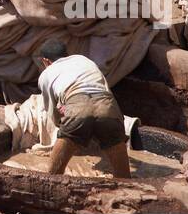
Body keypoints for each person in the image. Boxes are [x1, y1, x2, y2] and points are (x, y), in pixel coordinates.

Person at [36, 39, 131, 178]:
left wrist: (65, 128)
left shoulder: (46, 74)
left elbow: (52, 111)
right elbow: (104, 87)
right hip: (107, 106)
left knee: (53, 176)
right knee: (123, 177)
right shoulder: (84, 60)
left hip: (77, 108)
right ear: (66, 54)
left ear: (45, 61)